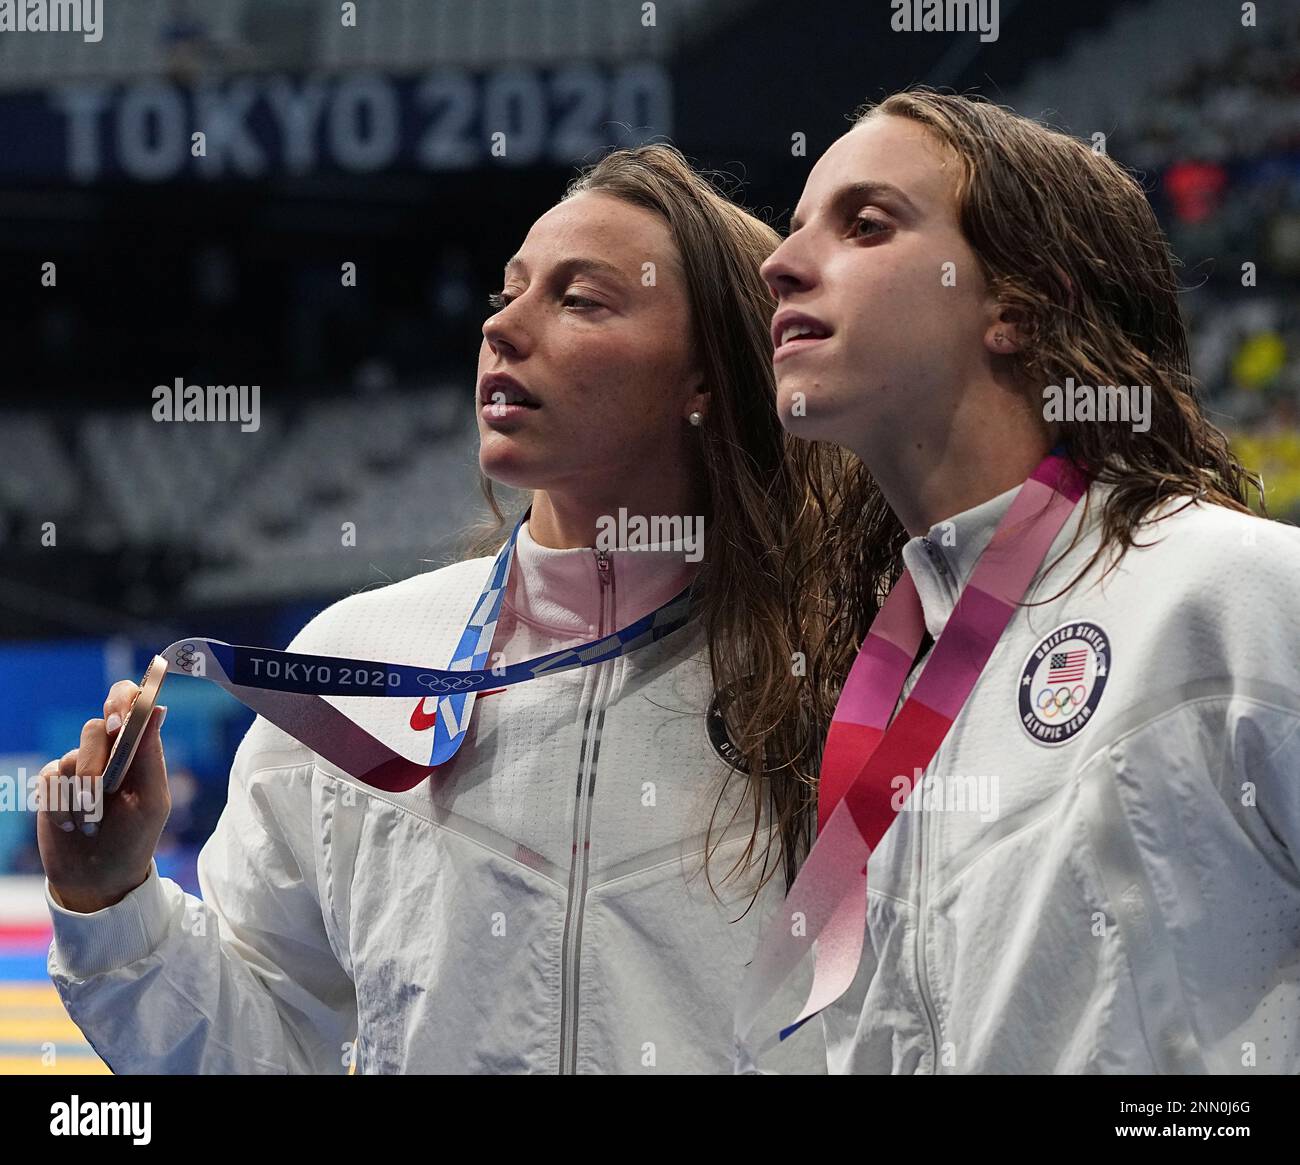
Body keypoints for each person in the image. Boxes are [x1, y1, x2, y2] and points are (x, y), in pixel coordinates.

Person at [37, 144, 838, 1074]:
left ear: (706, 379)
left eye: (579, 300)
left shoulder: (832, 675)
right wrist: (112, 904)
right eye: (510, 293)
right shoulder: (352, 663)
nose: (503, 329)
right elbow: (270, 1050)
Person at [757, 88, 1300, 1074]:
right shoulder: (886, 694)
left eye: (863, 225)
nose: (780, 264)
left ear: (1017, 306)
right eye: (795, 228)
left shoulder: (1233, 594)